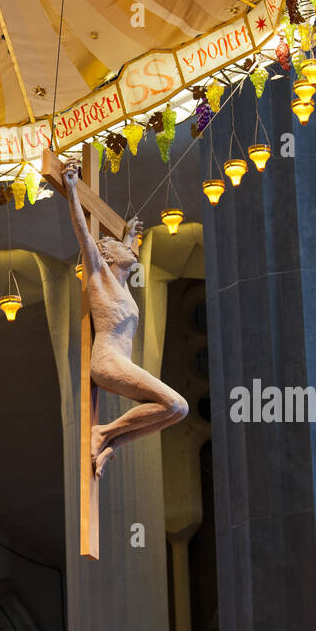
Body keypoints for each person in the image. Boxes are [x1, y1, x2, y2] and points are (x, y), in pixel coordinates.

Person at [62, 158, 188, 478]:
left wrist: (128, 236)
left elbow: (125, 257)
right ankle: (103, 434)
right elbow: (81, 230)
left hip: (123, 364)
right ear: (106, 255)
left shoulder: (119, 284)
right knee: (173, 404)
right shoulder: (98, 273)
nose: (130, 249)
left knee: (179, 410)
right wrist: (72, 187)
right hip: (107, 361)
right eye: (122, 246)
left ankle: (110, 443)